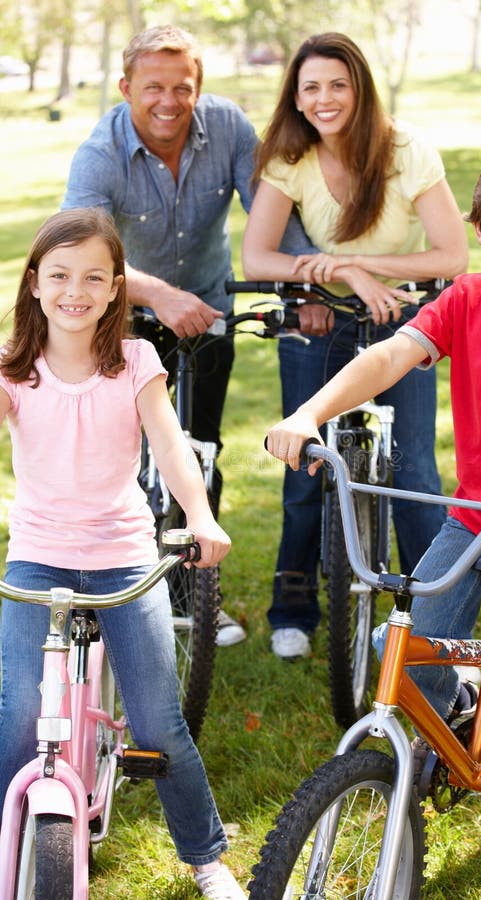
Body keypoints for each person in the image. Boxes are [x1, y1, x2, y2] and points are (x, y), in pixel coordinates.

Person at [266, 144, 481, 899]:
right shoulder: (465, 299)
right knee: (403, 642)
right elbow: (390, 355)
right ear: (480, 228)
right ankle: (447, 707)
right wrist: (310, 411)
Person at [0, 209, 245, 899]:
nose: (75, 290)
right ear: (35, 283)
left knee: (159, 720)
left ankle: (205, 857)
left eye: (93, 278)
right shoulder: (13, 368)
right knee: (16, 711)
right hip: (39, 560)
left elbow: (168, 443)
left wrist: (199, 515)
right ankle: (6, 840)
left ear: (115, 290)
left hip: (123, 555)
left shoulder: (134, 360)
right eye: (59, 276)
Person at [242, 32, 468, 660]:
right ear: (296, 95)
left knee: (415, 471)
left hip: (402, 319)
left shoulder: (405, 149)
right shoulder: (290, 155)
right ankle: (293, 608)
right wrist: (345, 274)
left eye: (337, 84)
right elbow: (257, 254)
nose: (324, 99)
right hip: (324, 319)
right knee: (304, 463)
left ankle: (436, 613)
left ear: (360, 87)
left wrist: (358, 262)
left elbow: (452, 253)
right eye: (310, 87)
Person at [62, 25, 267, 646]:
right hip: (119, 313)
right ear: (127, 88)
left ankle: (195, 594)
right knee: (111, 456)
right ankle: (103, 586)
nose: (169, 101)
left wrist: (314, 273)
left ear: (199, 89)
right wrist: (159, 294)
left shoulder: (228, 127)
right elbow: (78, 249)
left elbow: (271, 212)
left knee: (200, 450)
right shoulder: (100, 153)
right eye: (153, 87)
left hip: (205, 310)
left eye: (183, 88)